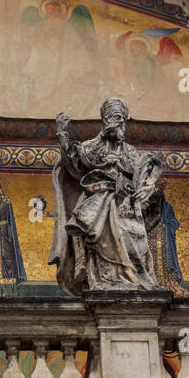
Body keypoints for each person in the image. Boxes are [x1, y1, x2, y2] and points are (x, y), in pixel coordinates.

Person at [48, 97, 165, 294]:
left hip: (125, 205)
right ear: (106, 121)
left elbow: (143, 177)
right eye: (114, 118)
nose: (119, 123)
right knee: (91, 226)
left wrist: (149, 187)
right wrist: (62, 134)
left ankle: (132, 276)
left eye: (122, 119)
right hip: (99, 198)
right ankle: (100, 275)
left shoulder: (131, 152)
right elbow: (73, 162)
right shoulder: (94, 146)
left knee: (129, 235)